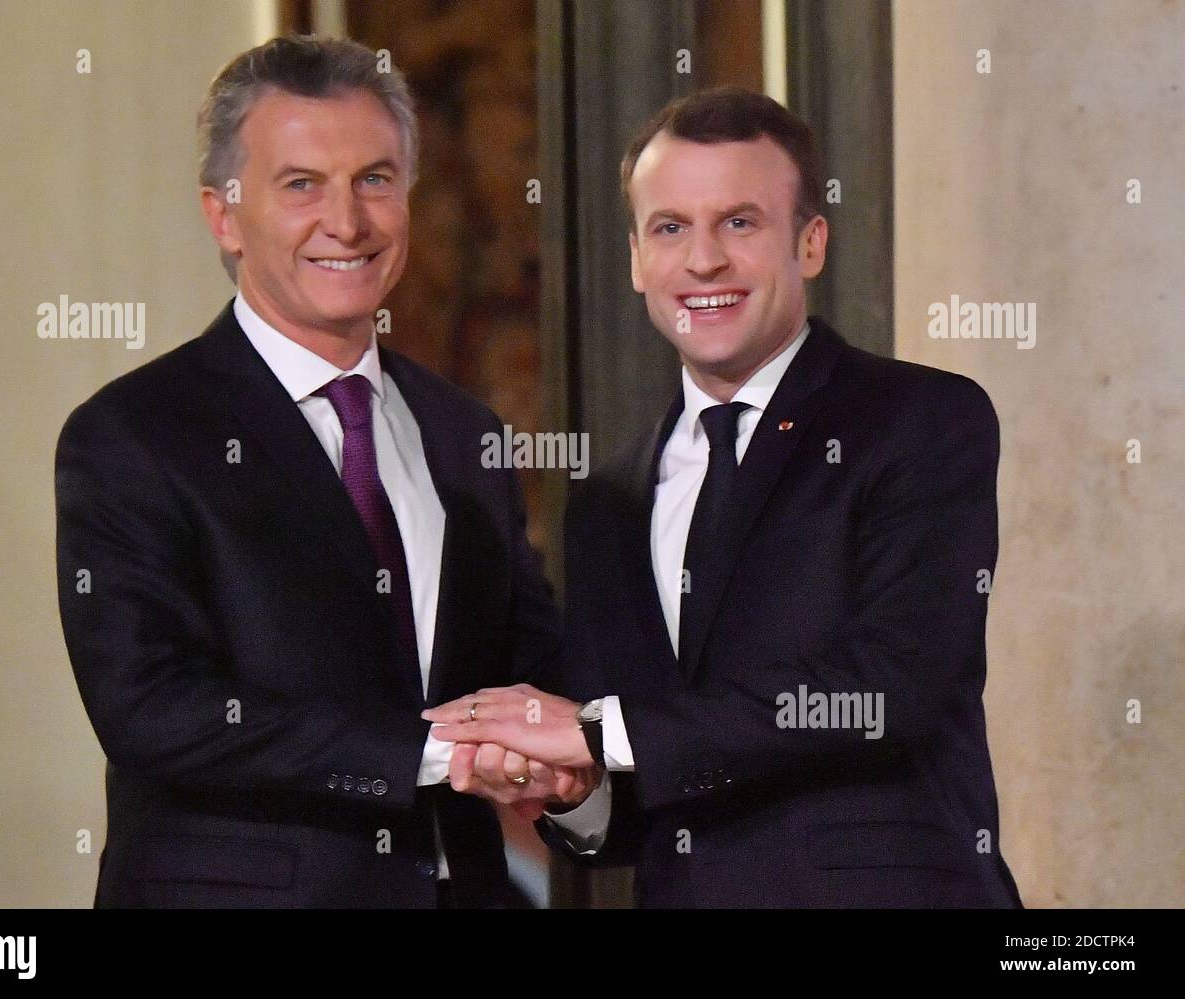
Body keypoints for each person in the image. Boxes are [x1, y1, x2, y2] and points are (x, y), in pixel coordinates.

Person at [427, 87, 1023, 908]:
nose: (703, 260)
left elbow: (891, 687)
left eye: (740, 222)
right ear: (637, 258)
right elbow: (638, 799)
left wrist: (598, 730)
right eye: (671, 228)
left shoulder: (921, 420)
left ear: (810, 243)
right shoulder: (608, 502)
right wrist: (573, 783)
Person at [54, 35, 566, 909]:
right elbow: (154, 709)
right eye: (302, 185)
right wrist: (431, 753)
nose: (348, 221)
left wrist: (569, 759)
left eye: (375, 178)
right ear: (224, 215)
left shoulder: (462, 432)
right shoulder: (133, 434)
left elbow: (530, 665)